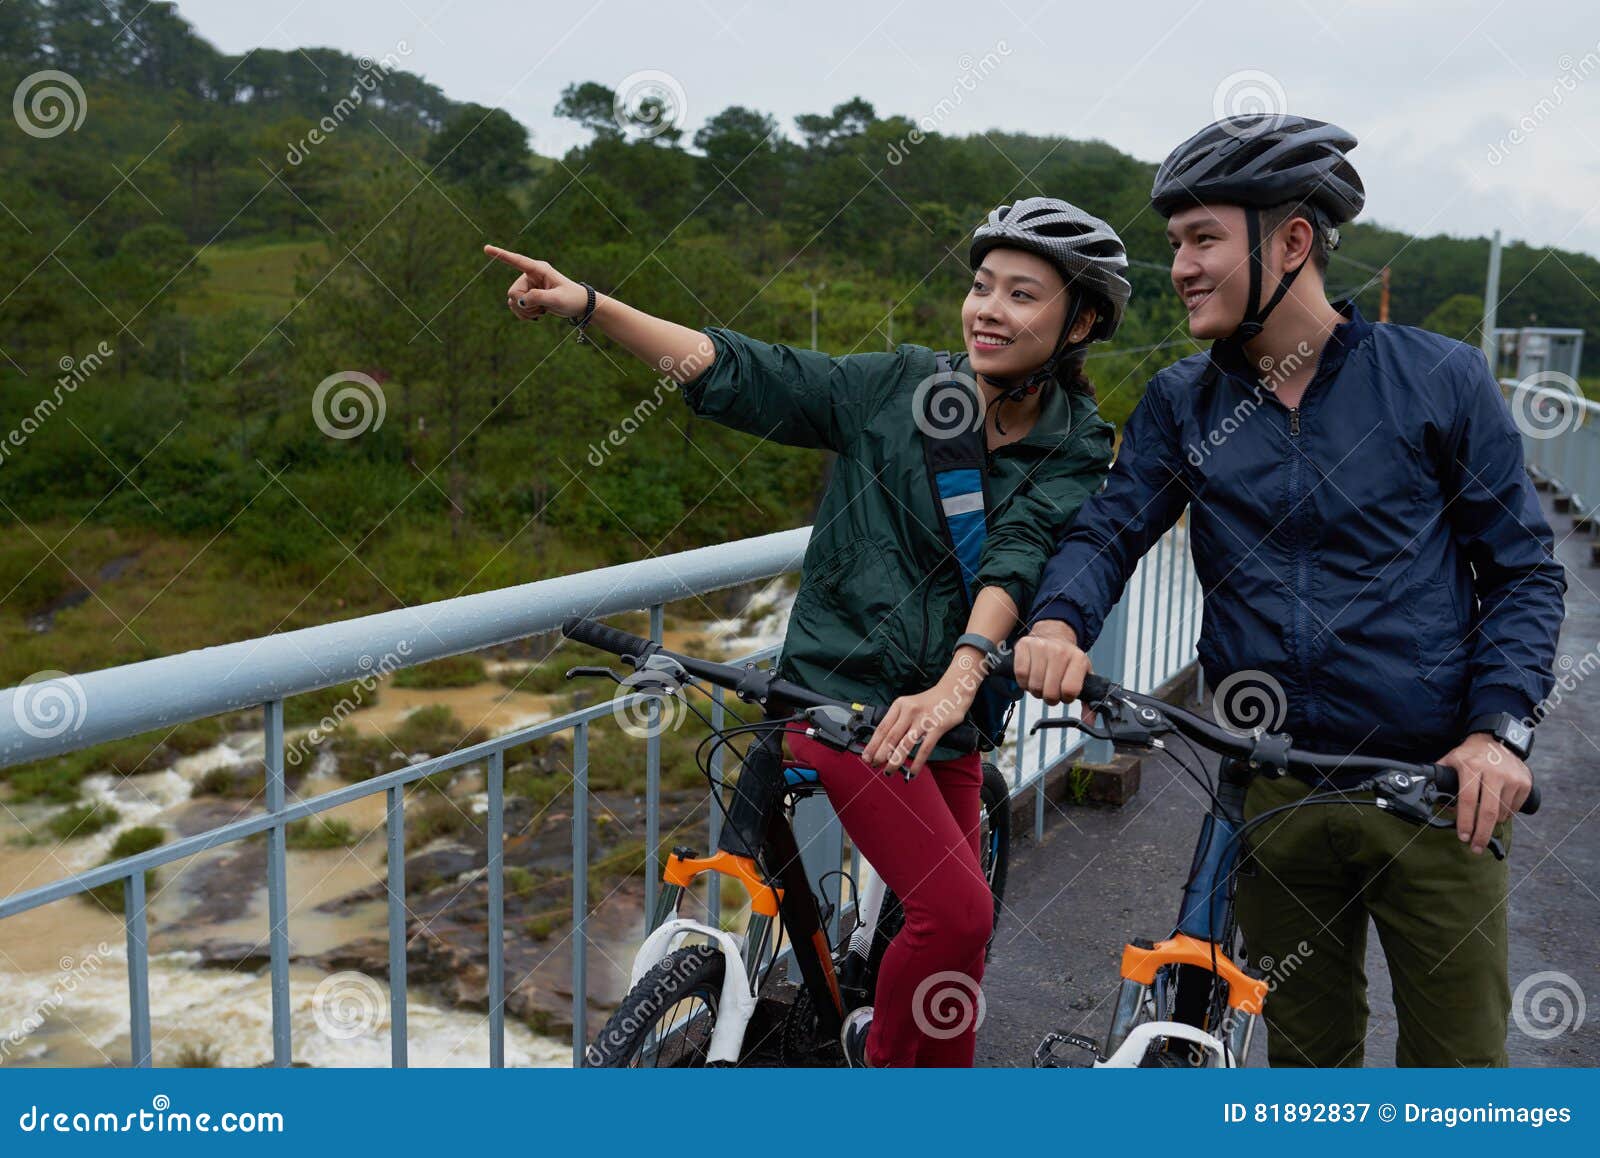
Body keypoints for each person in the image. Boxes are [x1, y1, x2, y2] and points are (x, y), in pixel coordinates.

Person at [486, 196, 1131, 1065]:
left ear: (1082, 319)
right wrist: (593, 306)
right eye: (982, 287)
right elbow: (750, 372)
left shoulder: (1079, 441)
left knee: (955, 939)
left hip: (950, 712)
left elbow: (1018, 555)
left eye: (1022, 295)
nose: (988, 309)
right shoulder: (900, 386)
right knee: (958, 912)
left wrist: (958, 682)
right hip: (839, 695)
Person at [1013, 114, 1566, 1067]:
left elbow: (1522, 572)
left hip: (1435, 793)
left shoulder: (1437, 378)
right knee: (1307, 1069)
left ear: (1292, 242)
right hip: (1270, 790)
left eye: (1202, 240)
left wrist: (1497, 731)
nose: (1179, 267)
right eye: (1173, 244)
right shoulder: (1183, 401)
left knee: (1461, 1076)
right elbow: (1109, 531)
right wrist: (1061, 619)